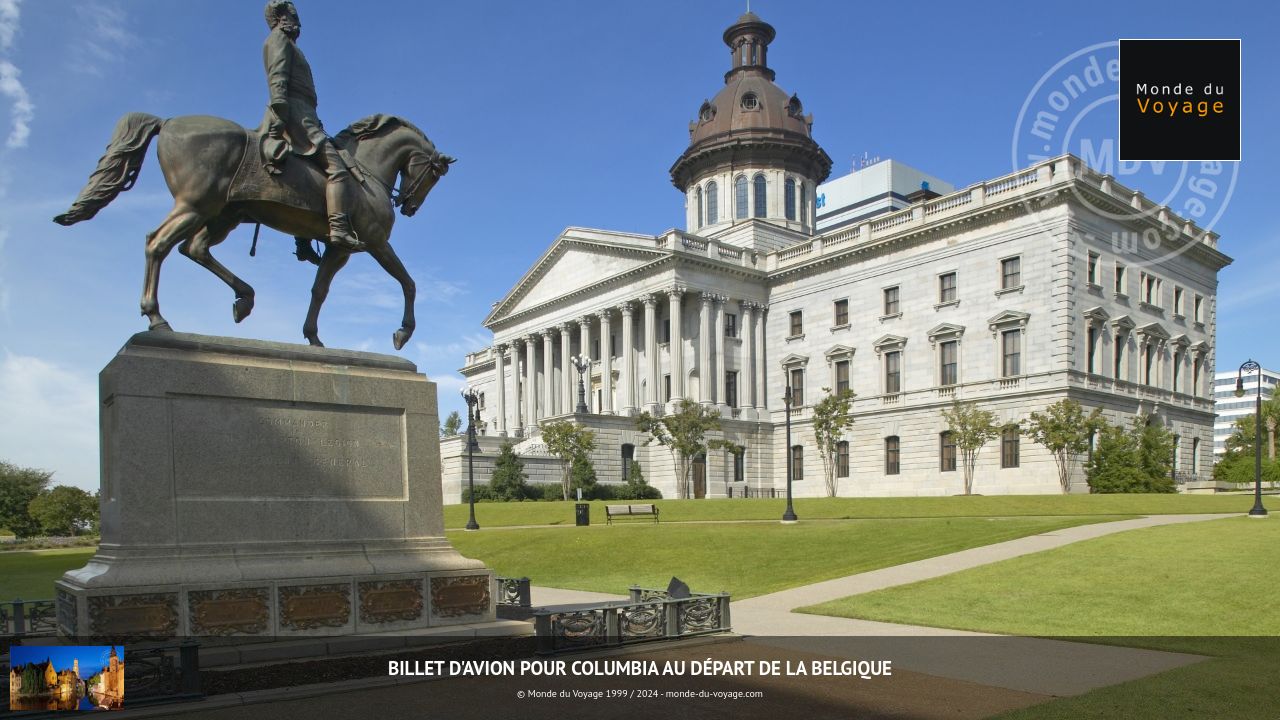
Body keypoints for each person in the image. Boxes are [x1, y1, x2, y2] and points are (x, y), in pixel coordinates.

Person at [262, 0, 362, 260]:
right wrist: (280, 122)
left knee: (307, 177)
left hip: (304, 115)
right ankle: (339, 229)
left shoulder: (290, 44)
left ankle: (303, 243)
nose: (298, 22)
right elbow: (278, 81)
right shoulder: (279, 39)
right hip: (295, 114)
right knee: (337, 170)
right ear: (280, 18)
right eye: (293, 15)